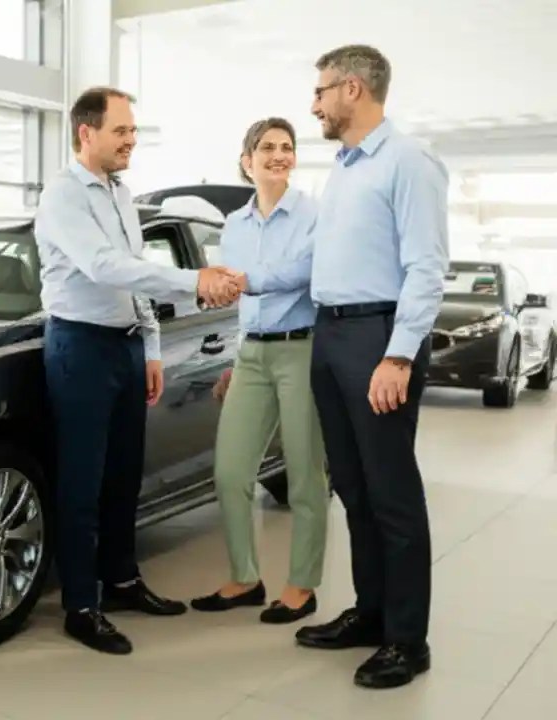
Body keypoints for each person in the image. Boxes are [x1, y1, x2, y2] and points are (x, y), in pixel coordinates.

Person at [34, 85, 244, 655]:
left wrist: (150, 346)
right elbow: (104, 267)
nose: (131, 141)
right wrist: (196, 280)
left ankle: (122, 579)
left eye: (132, 131)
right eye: (121, 131)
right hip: (80, 348)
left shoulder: (121, 192)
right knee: (82, 481)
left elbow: (136, 273)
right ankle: (82, 605)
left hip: (125, 348)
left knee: (125, 472)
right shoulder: (62, 196)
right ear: (86, 133)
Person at [286, 45, 448, 690]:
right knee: (353, 489)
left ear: (352, 89)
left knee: (392, 495)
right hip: (333, 336)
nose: (315, 103)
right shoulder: (347, 167)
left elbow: (427, 269)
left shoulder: (408, 162)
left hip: (379, 339)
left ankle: (408, 640)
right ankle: (372, 611)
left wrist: (400, 354)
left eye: (322, 90)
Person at [188, 118, 330, 625]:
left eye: (287, 147)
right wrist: (234, 358)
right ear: (247, 160)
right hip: (252, 353)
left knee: (306, 476)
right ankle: (244, 578)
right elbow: (238, 302)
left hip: (301, 350)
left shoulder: (314, 213)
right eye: (267, 147)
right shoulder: (235, 224)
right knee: (230, 471)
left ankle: (302, 585)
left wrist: (248, 281)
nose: (279, 154)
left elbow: (305, 274)